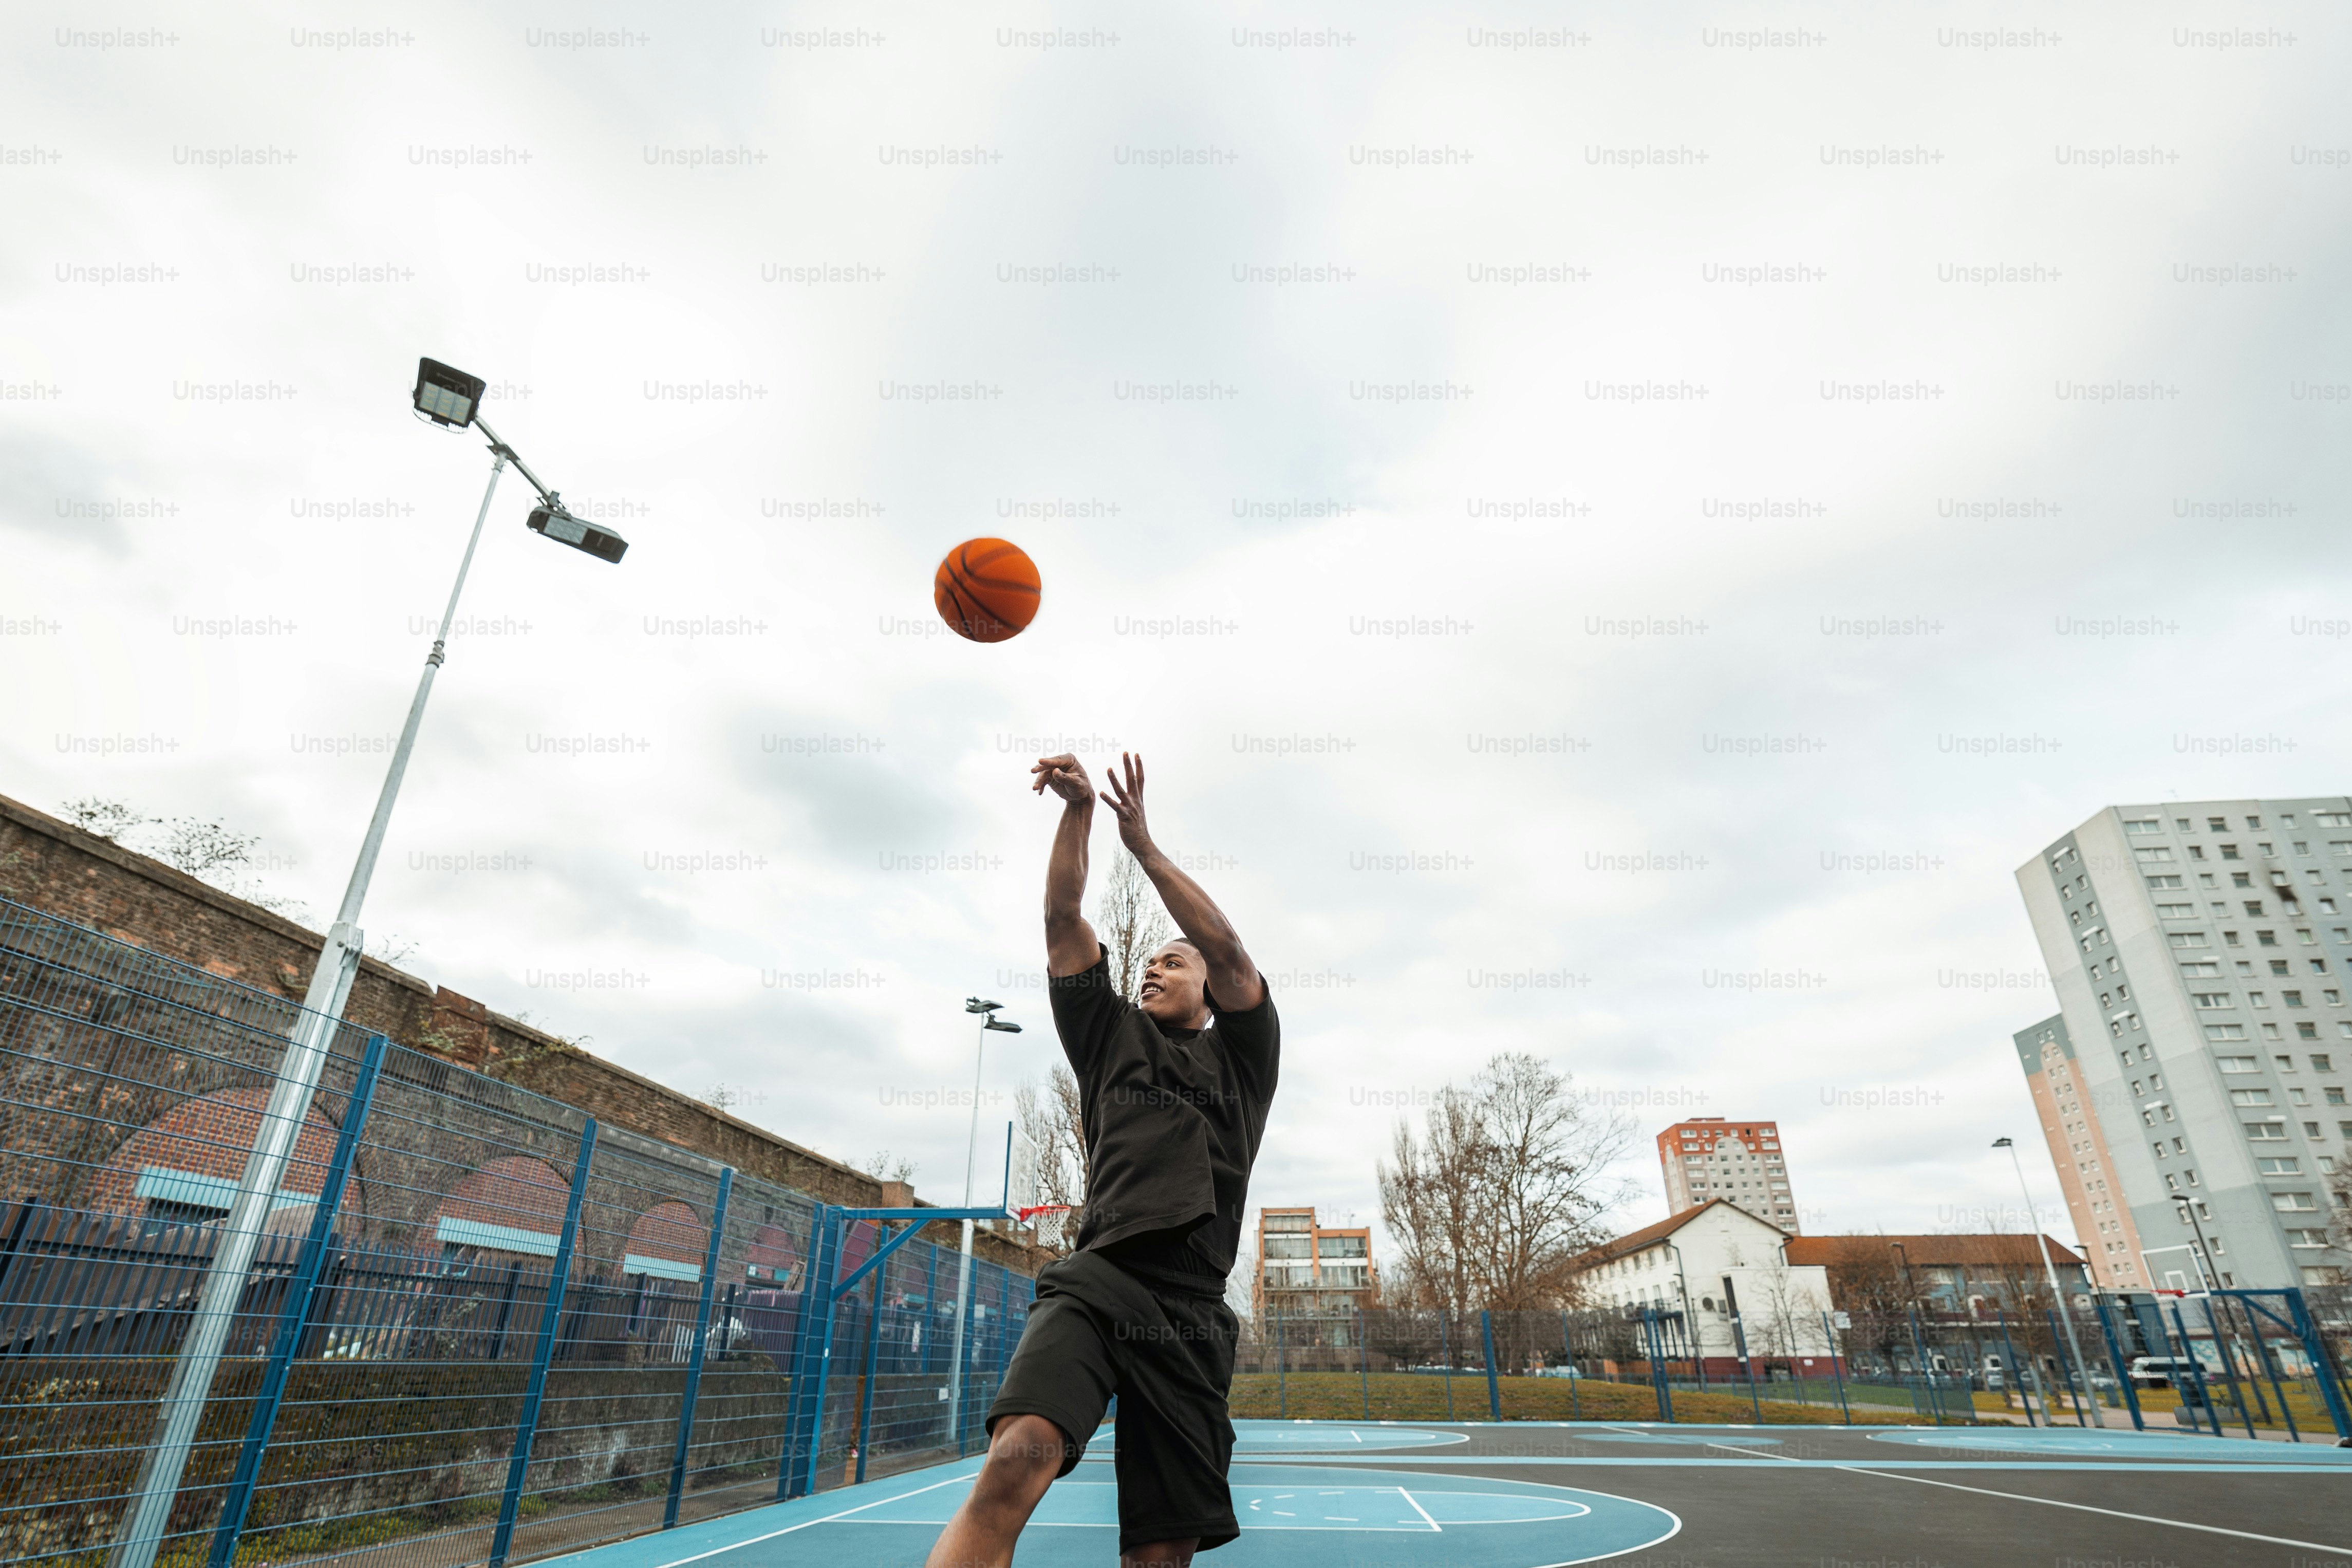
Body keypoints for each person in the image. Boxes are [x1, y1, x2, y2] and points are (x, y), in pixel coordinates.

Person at [921, 752, 1278, 1568]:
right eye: (1147, 961)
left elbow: (1227, 950)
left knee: (1161, 1553)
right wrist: (1078, 813)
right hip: (1099, 1280)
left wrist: (1143, 847)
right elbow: (1062, 919)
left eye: (1172, 961)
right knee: (1014, 1460)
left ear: (1210, 990)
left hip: (1190, 1312)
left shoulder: (1243, 1058)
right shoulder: (1109, 1036)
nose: (1153, 968)